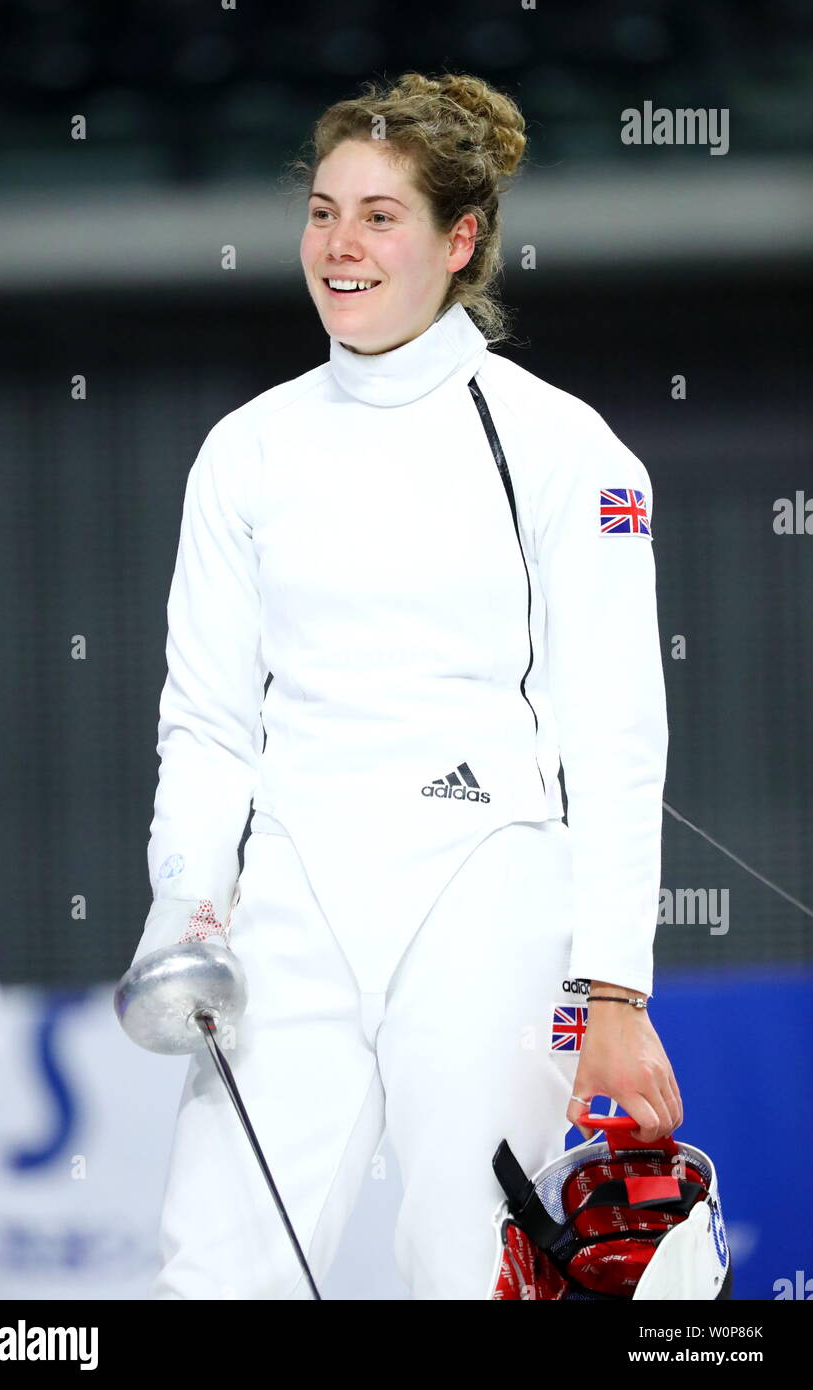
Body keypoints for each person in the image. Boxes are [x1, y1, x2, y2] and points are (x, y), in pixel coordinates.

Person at [130, 70, 681, 1300]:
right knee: (214, 1268)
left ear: (459, 237)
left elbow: (613, 735)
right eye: (323, 210)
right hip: (288, 902)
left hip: (480, 888)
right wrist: (191, 906)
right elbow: (207, 720)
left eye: (380, 215)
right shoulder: (247, 449)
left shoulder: (561, 447)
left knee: (465, 1262)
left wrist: (613, 987)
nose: (340, 244)